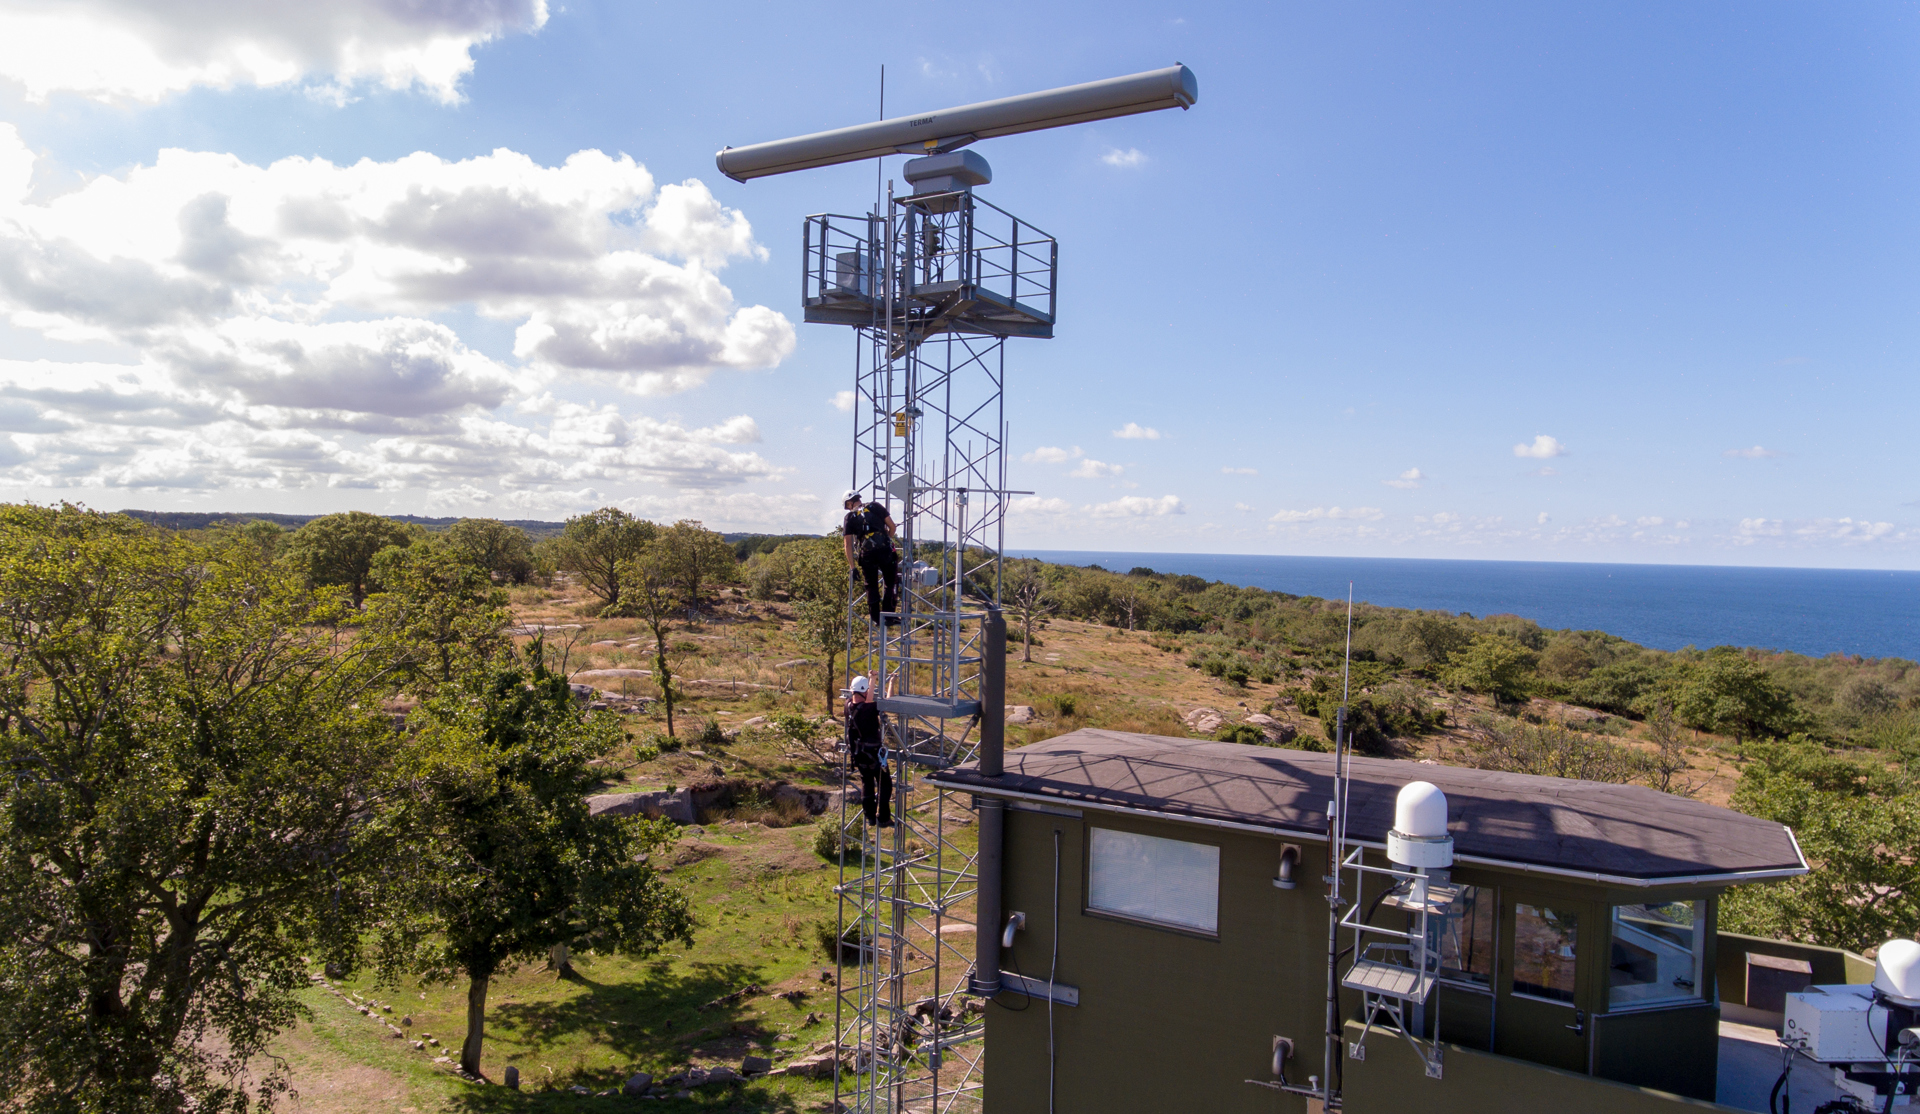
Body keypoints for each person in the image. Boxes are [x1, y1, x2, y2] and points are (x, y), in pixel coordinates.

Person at [841, 489, 899, 626]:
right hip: (885, 551)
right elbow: (892, 527)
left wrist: (852, 567)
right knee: (891, 582)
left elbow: (847, 545)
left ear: (850, 502)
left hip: (867, 554)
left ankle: (876, 618)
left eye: (847, 506)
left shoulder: (849, 518)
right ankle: (889, 616)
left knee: (871, 585)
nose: (848, 508)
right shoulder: (875, 506)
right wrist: (885, 540)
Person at [844, 674, 893, 828]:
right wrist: (888, 682)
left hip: (859, 754)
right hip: (873, 754)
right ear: (865, 692)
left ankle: (870, 816)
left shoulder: (848, 706)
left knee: (867, 782)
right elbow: (887, 702)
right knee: (885, 784)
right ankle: (883, 818)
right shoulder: (869, 708)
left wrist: (872, 680)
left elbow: (867, 700)